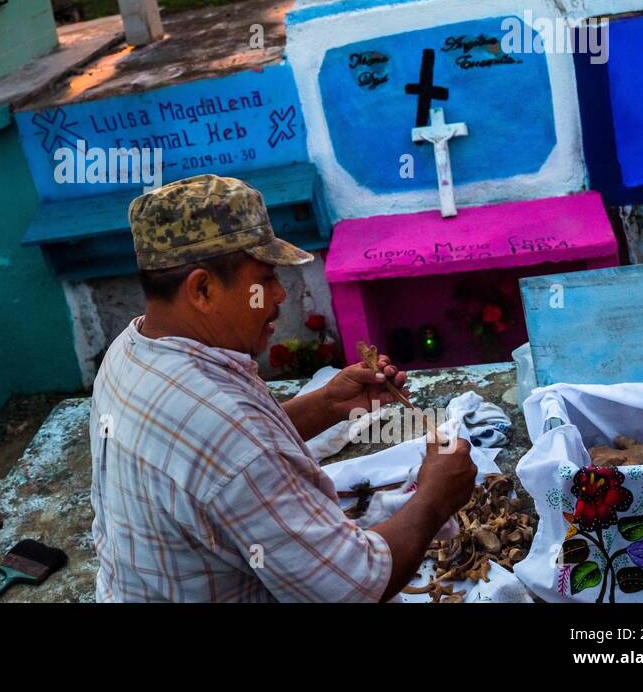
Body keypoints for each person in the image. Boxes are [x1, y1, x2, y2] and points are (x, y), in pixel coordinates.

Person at [89, 174, 476, 602]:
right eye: (264, 279)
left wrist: (330, 404)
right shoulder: (228, 431)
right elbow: (353, 588)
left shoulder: (132, 349)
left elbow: (224, 457)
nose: (278, 295)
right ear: (202, 289)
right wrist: (435, 498)